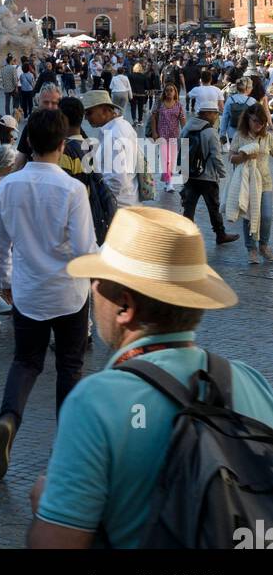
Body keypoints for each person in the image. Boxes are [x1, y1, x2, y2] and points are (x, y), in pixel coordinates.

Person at [28, 205, 273, 549]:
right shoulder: (250, 382)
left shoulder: (96, 400)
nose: (93, 287)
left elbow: (55, 544)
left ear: (125, 307)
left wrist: (45, 505)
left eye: (98, 280)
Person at [0, 108, 98, 479]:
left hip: (29, 291)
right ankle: (66, 444)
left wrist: (3, 282)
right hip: (69, 293)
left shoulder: (9, 187)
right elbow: (84, 249)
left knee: (25, 362)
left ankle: (7, 418)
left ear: (29, 142)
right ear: (63, 145)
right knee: (70, 366)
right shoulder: (73, 189)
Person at [179, 99, 239, 245]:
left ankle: (186, 235)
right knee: (213, 207)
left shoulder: (187, 127)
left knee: (189, 207)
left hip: (190, 174)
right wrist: (223, 174)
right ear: (207, 114)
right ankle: (220, 234)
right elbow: (216, 156)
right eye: (215, 114)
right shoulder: (211, 132)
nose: (216, 117)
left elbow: (181, 149)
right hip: (208, 177)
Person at [225, 105, 273, 264]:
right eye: (255, 121)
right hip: (247, 182)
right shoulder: (240, 135)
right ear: (248, 119)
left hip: (265, 182)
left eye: (262, 122)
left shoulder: (267, 137)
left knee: (266, 216)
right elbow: (231, 157)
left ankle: (263, 246)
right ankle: (251, 249)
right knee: (248, 215)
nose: (259, 125)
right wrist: (244, 157)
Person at [82, 89, 139, 207]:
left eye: (89, 113)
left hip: (118, 205)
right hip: (127, 200)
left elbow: (117, 181)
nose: (86, 118)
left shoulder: (113, 135)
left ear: (104, 110)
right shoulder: (123, 125)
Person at [149, 81, 185, 188]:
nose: (169, 92)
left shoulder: (179, 105)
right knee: (165, 158)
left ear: (175, 92)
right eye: (167, 90)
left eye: (171, 90)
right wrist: (154, 132)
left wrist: (186, 133)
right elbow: (153, 118)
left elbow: (183, 120)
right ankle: (169, 182)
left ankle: (169, 180)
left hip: (174, 135)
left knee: (173, 160)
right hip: (162, 135)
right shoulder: (159, 103)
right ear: (164, 92)